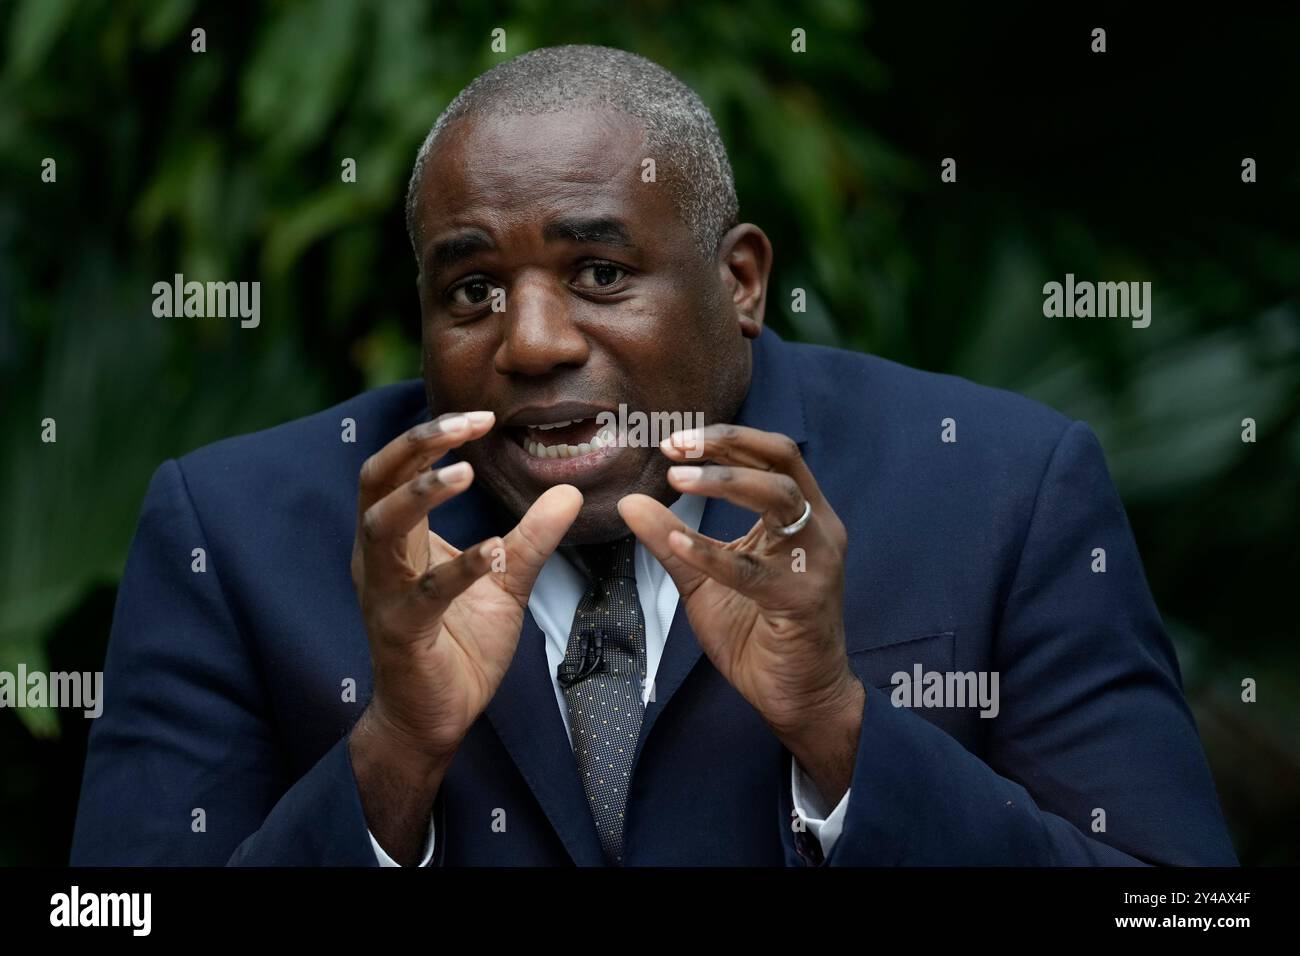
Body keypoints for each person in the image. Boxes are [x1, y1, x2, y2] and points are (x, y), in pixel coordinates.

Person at [71, 45, 1237, 866]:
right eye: (472, 289)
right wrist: (392, 752)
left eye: (600, 275)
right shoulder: (230, 530)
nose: (530, 342)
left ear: (739, 281)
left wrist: (839, 726)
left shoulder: (1003, 489)